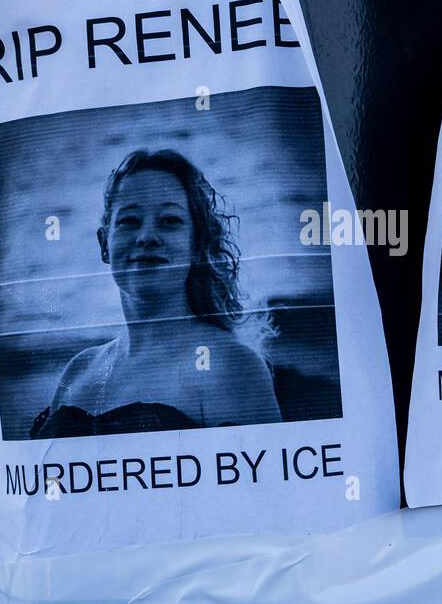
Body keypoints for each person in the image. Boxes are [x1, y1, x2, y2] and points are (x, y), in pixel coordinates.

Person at [29, 148, 282, 439]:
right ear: (104, 244)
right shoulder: (78, 369)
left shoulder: (233, 366)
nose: (147, 236)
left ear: (197, 244)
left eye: (169, 221)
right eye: (129, 221)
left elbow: (265, 483)